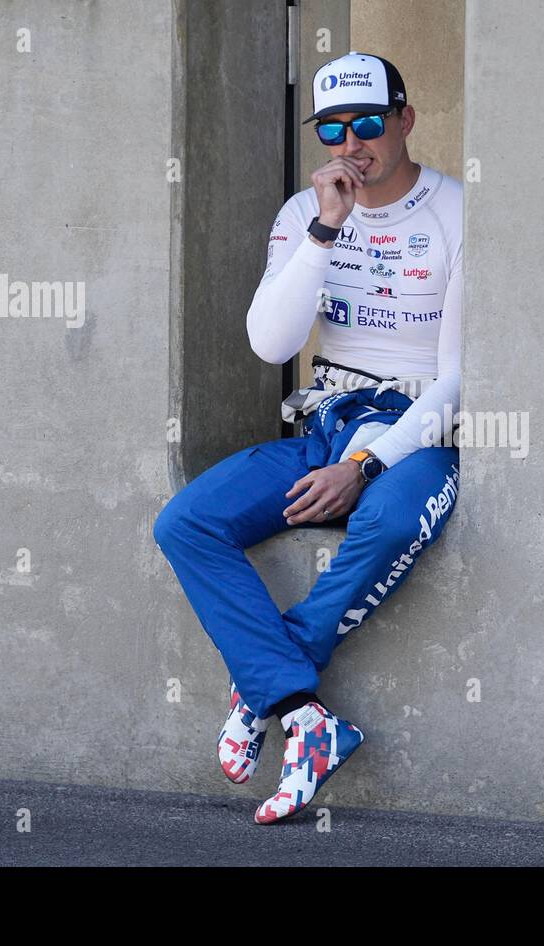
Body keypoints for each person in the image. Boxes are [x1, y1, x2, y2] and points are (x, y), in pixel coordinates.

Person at [152, 51, 462, 824]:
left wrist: (368, 462)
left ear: (405, 120)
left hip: (419, 431)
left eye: (369, 124)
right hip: (325, 418)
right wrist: (326, 232)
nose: (353, 144)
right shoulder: (304, 215)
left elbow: (462, 380)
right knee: (187, 522)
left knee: (390, 518)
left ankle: (265, 679)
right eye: (333, 129)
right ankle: (303, 714)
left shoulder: (459, 212)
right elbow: (268, 341)